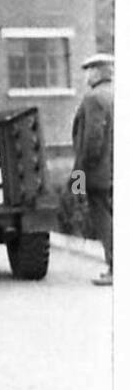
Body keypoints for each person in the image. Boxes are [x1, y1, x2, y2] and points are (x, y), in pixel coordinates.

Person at [73, 52, 115, 286]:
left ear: (98, 72)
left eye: (89, 70)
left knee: (103, 219)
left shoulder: (94, 99)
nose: (86, 76)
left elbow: (91, 143)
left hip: (97, 173)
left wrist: (78, 181)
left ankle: (115, 267)